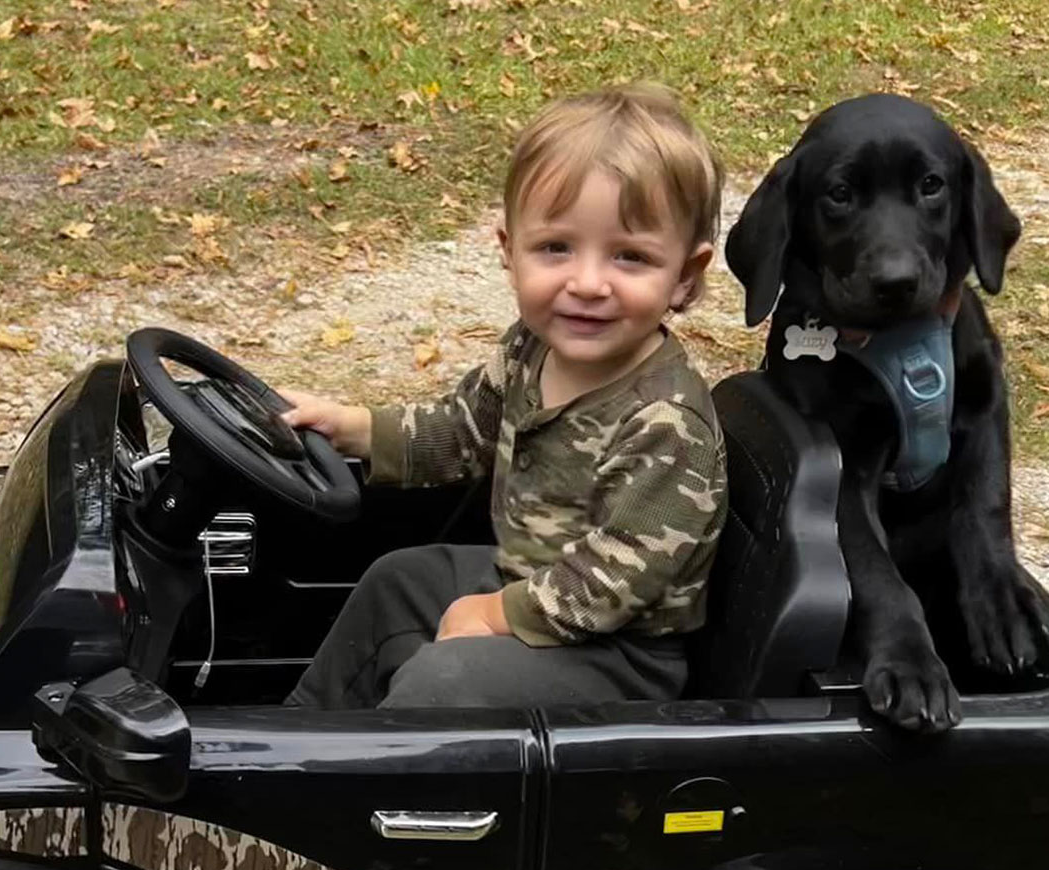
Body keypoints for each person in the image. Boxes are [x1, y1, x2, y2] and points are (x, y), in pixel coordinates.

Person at [282, 83, 727, 709]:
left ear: (685, 275)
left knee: (447, 683)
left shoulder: (665, 421)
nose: (588, 283)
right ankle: (302, 740)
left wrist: (493, 615)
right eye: (556, 248)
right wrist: (350, 426)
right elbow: (462, 432)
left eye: (630, 257)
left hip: (619, 658)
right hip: (525, 580)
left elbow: (613, 581)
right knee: (397, 581)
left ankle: (376, 784)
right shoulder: (530, 349)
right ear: (508, 252)